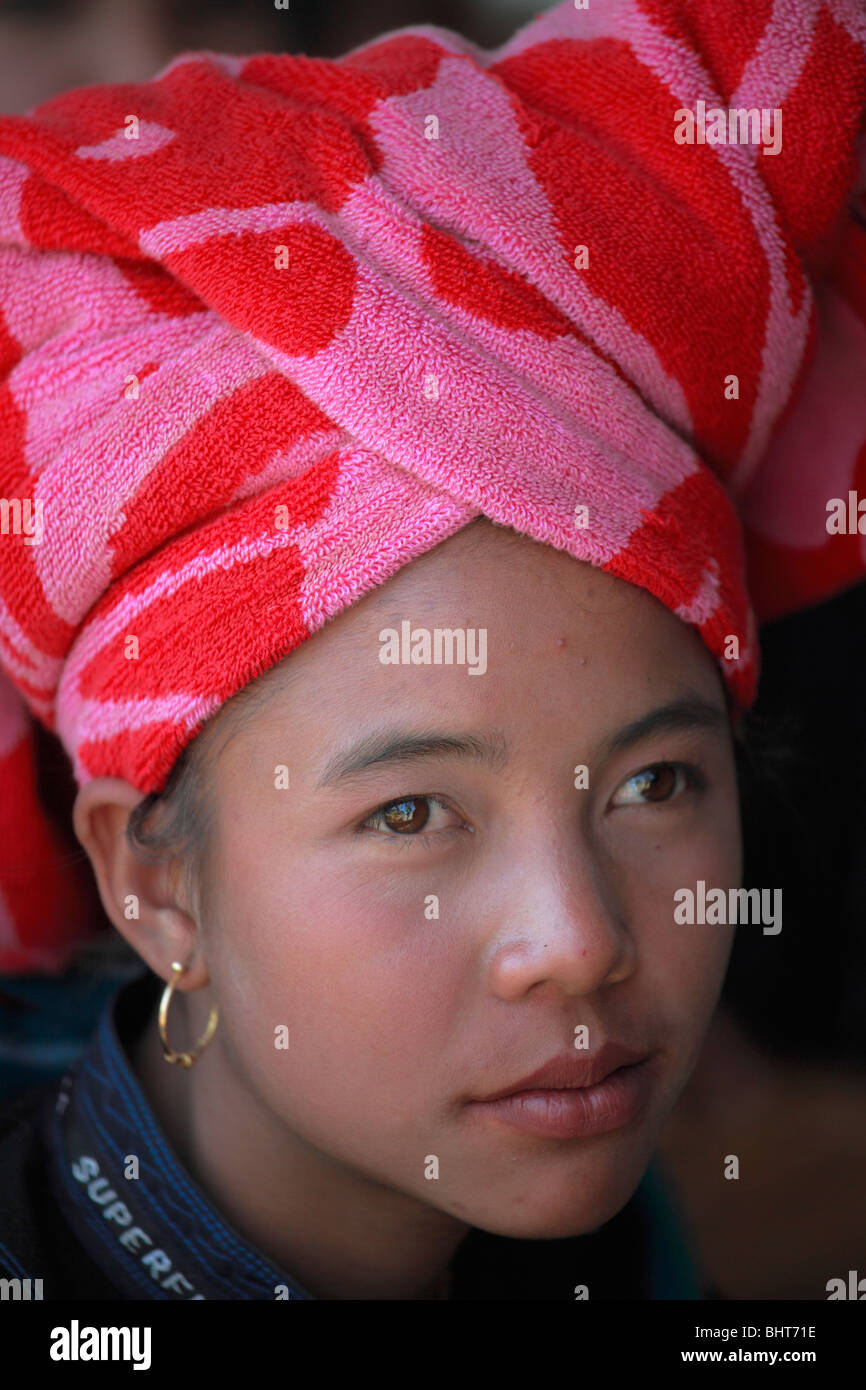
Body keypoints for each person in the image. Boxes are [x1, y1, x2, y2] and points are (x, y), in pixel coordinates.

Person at [0, 0, 863, 1301]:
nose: (577, 944)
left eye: (655, 785)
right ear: (154, 884)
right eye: (410, 810)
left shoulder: (603, 1229)